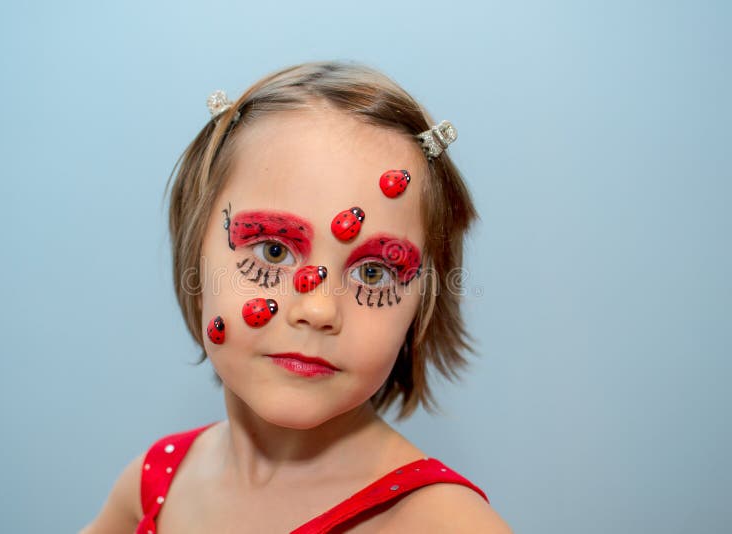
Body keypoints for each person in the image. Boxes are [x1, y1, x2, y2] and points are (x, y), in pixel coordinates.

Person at [80, 61, 513, 533]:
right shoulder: (156, 483)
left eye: (373, 271)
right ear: (195, 255)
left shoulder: (443, 525)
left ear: (422, 304)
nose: (319, 309)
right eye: (273, 249)